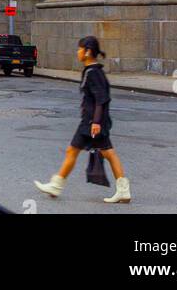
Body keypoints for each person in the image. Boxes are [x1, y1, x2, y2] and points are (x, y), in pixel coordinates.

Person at [35, 36, 131, 204]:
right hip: (91, 121)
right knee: (87, 151)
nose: (77, 52)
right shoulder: (91, 70)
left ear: (87, 52)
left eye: (80, 49)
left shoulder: (93, 73)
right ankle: (56, 185)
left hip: (92, 123)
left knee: (102, 153)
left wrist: (96, 122)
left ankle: (56, 186)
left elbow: (101, 99)